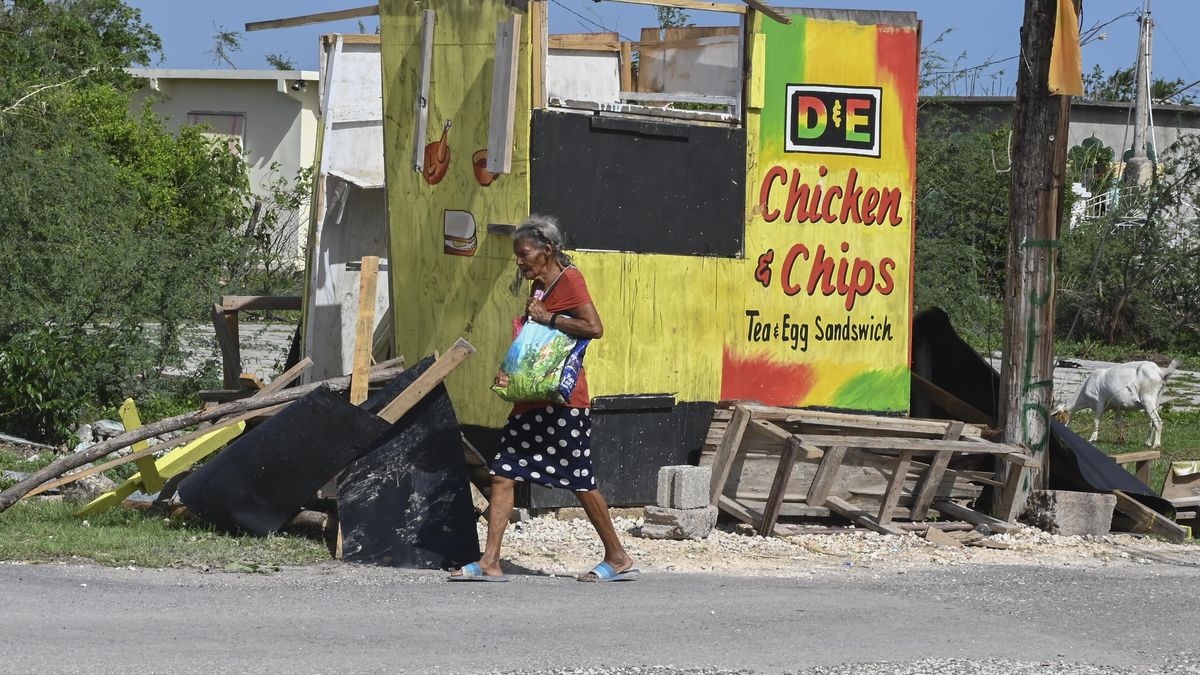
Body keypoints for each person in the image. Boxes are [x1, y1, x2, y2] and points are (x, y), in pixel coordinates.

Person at [451, 214, 637, 582]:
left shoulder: (570, 280)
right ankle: (490, 561)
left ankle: (617, 555)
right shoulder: (539, 287)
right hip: (531, 398)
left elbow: (594, 328)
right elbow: (532, 343)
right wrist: (511, 371)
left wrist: (550, 318)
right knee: (502, 473)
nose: (519, 261)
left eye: (524, 254)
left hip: (563, 403)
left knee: (580, 480)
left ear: (547, 250)